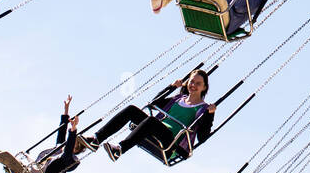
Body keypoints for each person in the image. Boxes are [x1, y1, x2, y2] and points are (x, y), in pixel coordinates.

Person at [82, 69, 214, 163]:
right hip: (155, 129)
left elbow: (202, 137)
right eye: (192, 82)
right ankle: (96, 139)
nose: (193, 85)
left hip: (171, 141)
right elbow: (153, 104)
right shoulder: (178, 98)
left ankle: (120, 149)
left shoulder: (203, 109)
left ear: (204, 87)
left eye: (198, 84)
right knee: (131, 110)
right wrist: (171, 87)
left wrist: (210, 115)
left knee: (151, 121)